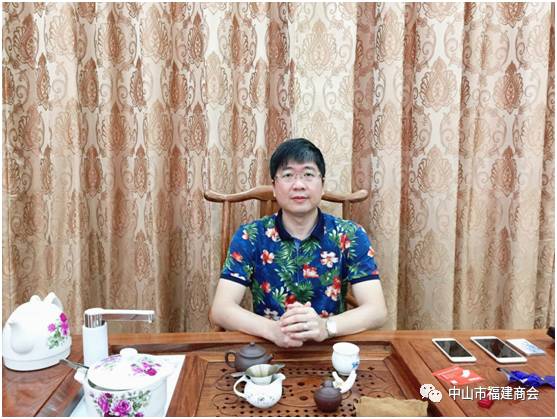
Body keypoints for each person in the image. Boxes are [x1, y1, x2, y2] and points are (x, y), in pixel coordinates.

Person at [210, 138, 387, 348]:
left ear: (322, 185)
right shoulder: (251, 235)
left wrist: (325, 327)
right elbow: (221, 309)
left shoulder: (350, 234)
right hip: (268, 347)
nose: (299, 185)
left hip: (329, 346)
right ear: (274, 187)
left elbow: (377, 310)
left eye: (308, 175)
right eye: (288, 175)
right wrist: (273, 331)